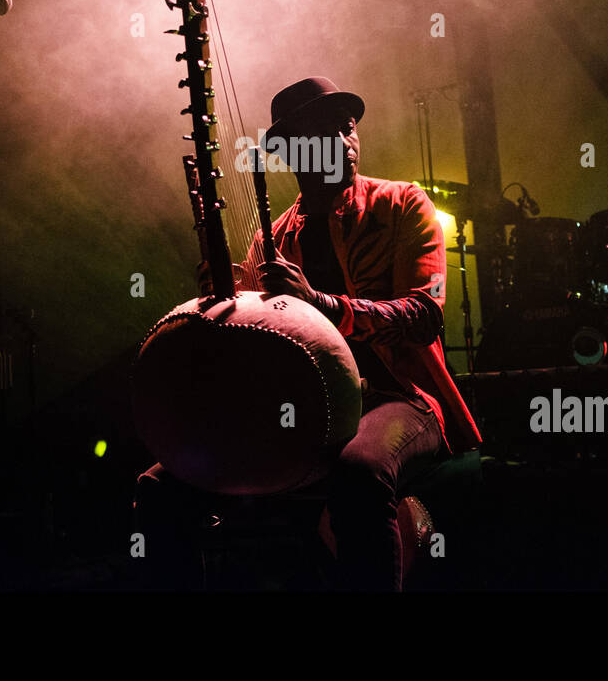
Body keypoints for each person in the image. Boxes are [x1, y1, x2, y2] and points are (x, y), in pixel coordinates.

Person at [133, 77, 481, 591]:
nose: (345, 140)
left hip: (400, 397)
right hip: (301, 411)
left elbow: (425, 315)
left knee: (359, 472)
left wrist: (319, 303)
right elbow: (251, 350)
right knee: (160, 488)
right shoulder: (270, 240)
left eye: (348, 126)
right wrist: (224, 301)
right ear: (291, 150)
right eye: (325, 131)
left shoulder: (403, 203)